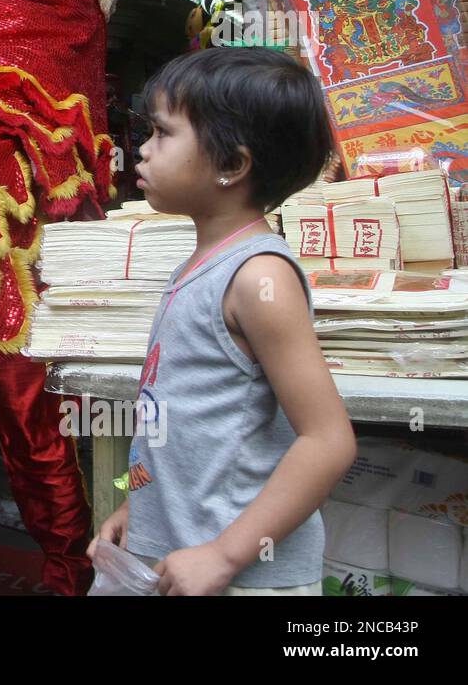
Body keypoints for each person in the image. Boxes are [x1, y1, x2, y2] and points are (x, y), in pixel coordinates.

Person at [89, 48, 357, 595]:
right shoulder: (197, 267)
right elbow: (182, 430)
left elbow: (328, 441)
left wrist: (225, 555)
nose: (141, 150)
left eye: (162, 134)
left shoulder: (259, 277)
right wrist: (132, 503)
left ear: (232, 166)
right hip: (167, 559)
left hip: (233, 577)